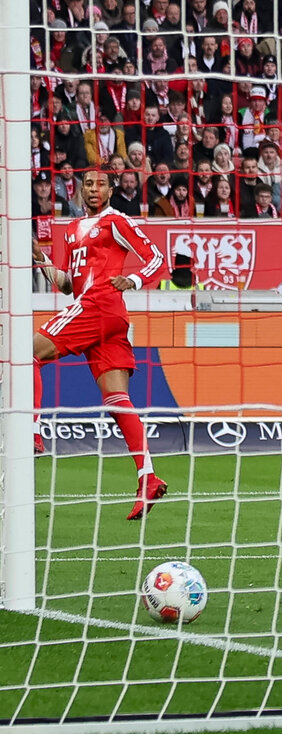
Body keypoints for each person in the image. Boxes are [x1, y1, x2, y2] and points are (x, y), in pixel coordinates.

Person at [32, 167, 168, 520]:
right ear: (81, 190)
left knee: (25, 354)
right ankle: (148, 478)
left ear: (110, 190)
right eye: (88, 184)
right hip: (99, 317)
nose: (94, 189)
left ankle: (31, 431)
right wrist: (42, 260)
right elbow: (66, 285)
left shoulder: (116, 221)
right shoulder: (71, 231)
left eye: (101, 184)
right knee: (118, 401)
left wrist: (133, 280)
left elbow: (156, 258)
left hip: (99, 306)